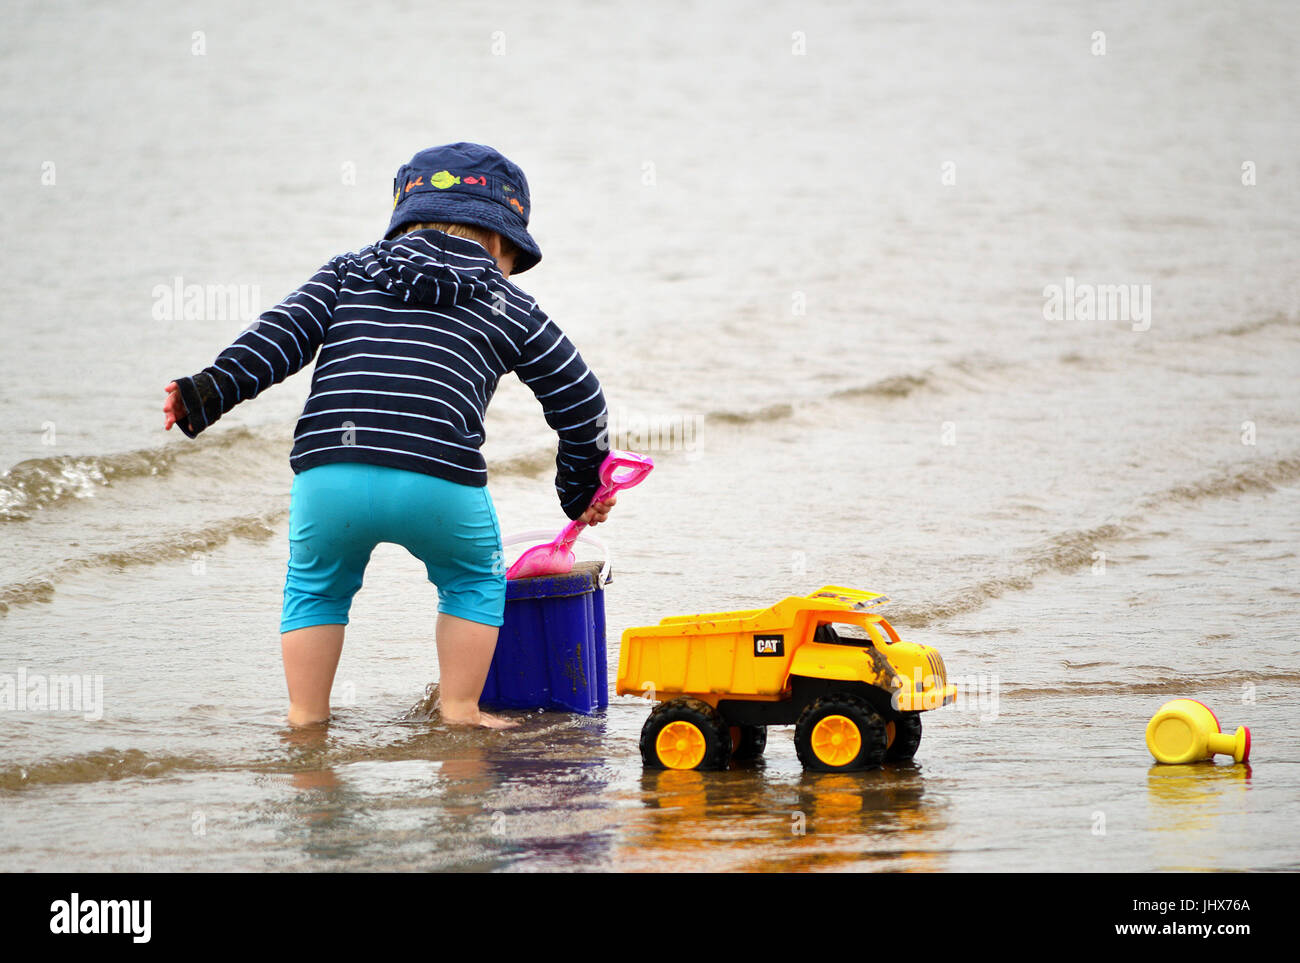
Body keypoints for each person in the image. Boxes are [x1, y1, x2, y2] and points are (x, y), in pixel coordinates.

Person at [163, 142, 614, 729]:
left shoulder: (347, 271)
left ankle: (306, 719)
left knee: (316, 589)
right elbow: (581, 398)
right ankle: (461, 712)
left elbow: (277, 339)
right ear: (502, 242)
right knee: (473, 581)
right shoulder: (507, 302)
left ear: (404, 217)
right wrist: (581, 490)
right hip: (438, 481)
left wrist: (207, 392)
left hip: (331, 477)